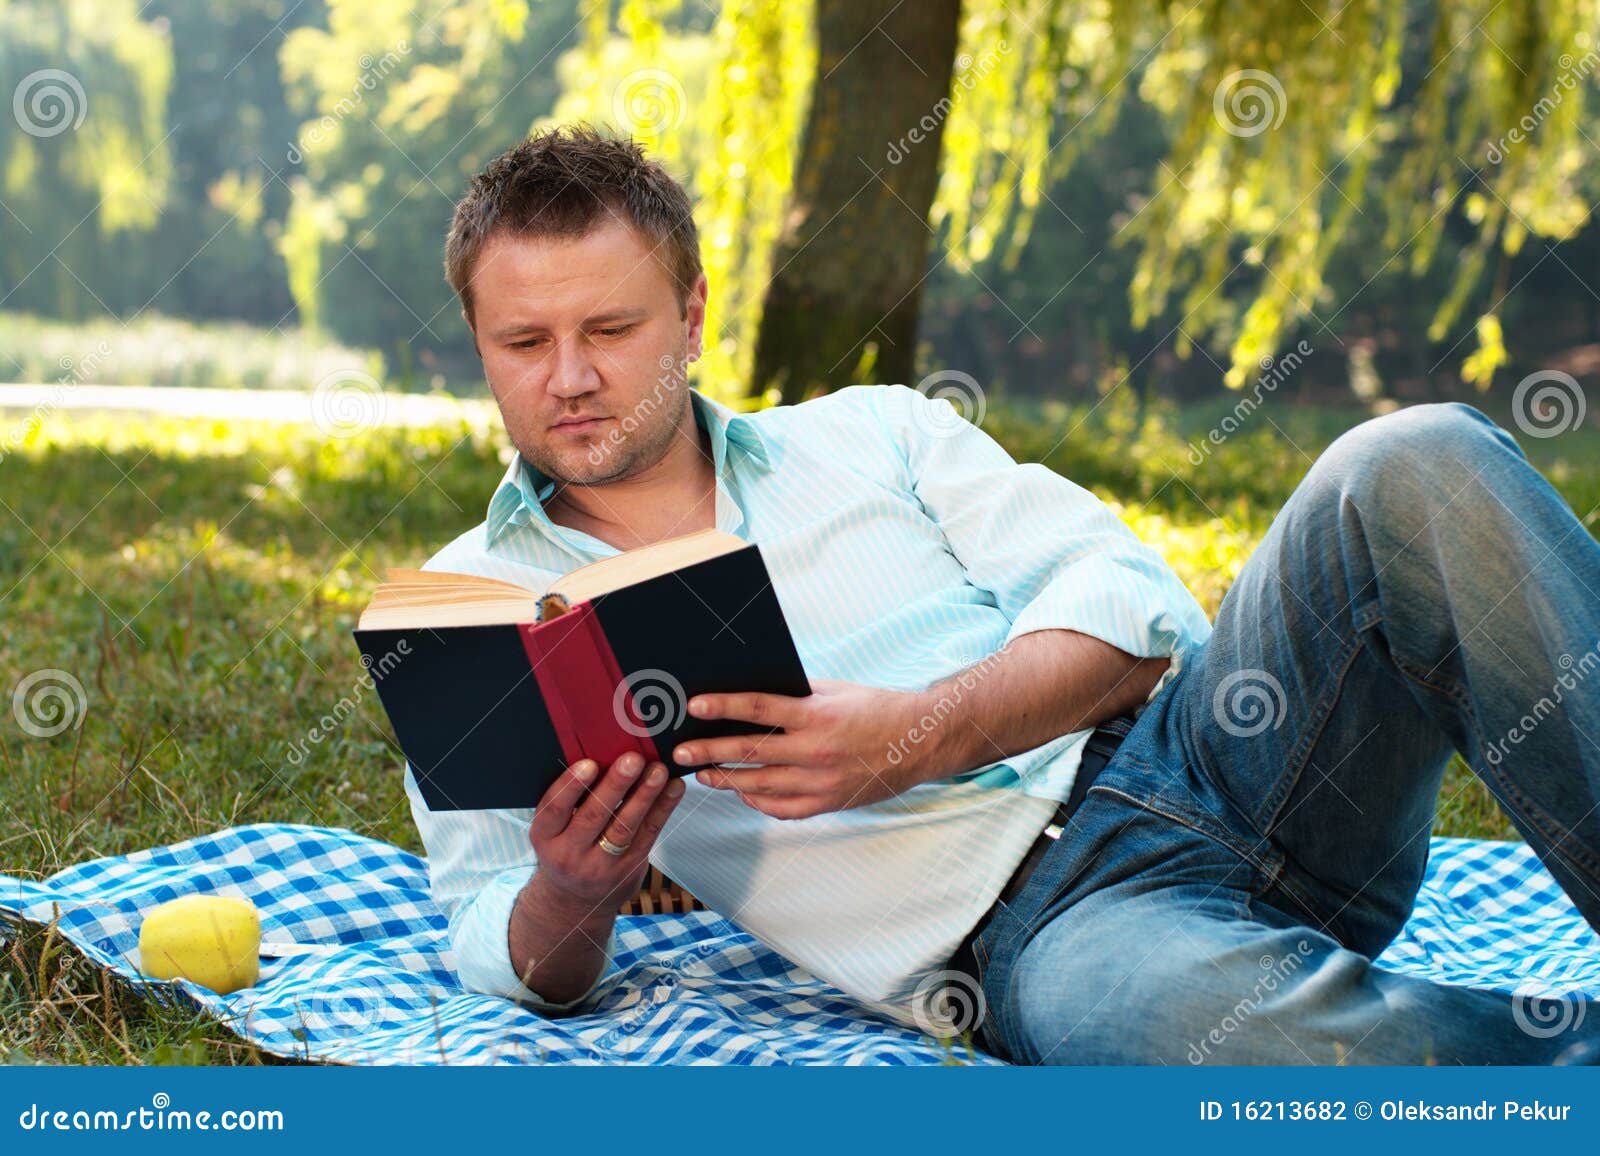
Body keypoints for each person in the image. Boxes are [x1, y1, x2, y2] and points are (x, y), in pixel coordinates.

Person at [405, 126, 1600, 1065]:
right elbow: (490, 934)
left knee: (1411, 460)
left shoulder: (871, 430)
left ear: (694, 315)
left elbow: (1134, 603)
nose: (570, 379)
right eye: (524, 342)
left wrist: (917, 737)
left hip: (1221, 757)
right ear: (477, 340)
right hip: (1049, 937)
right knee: (1190, 1037)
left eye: (610, 327)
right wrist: (571, 893)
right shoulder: (474, 611)